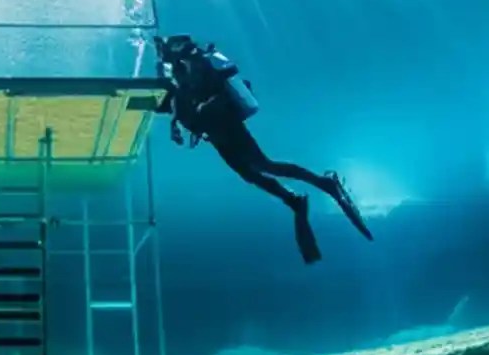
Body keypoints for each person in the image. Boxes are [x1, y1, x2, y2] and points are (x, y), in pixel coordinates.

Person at [153, 35, 373, 263]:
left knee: (264, 165)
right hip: (214, 132)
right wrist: (177, 123)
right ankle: (294, 199)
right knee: (250, 174)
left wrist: (198, 111)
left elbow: (212, 93)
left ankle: (324, 184)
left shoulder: (199, 63)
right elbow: (175, 99)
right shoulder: (177, 70)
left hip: (226, 125)